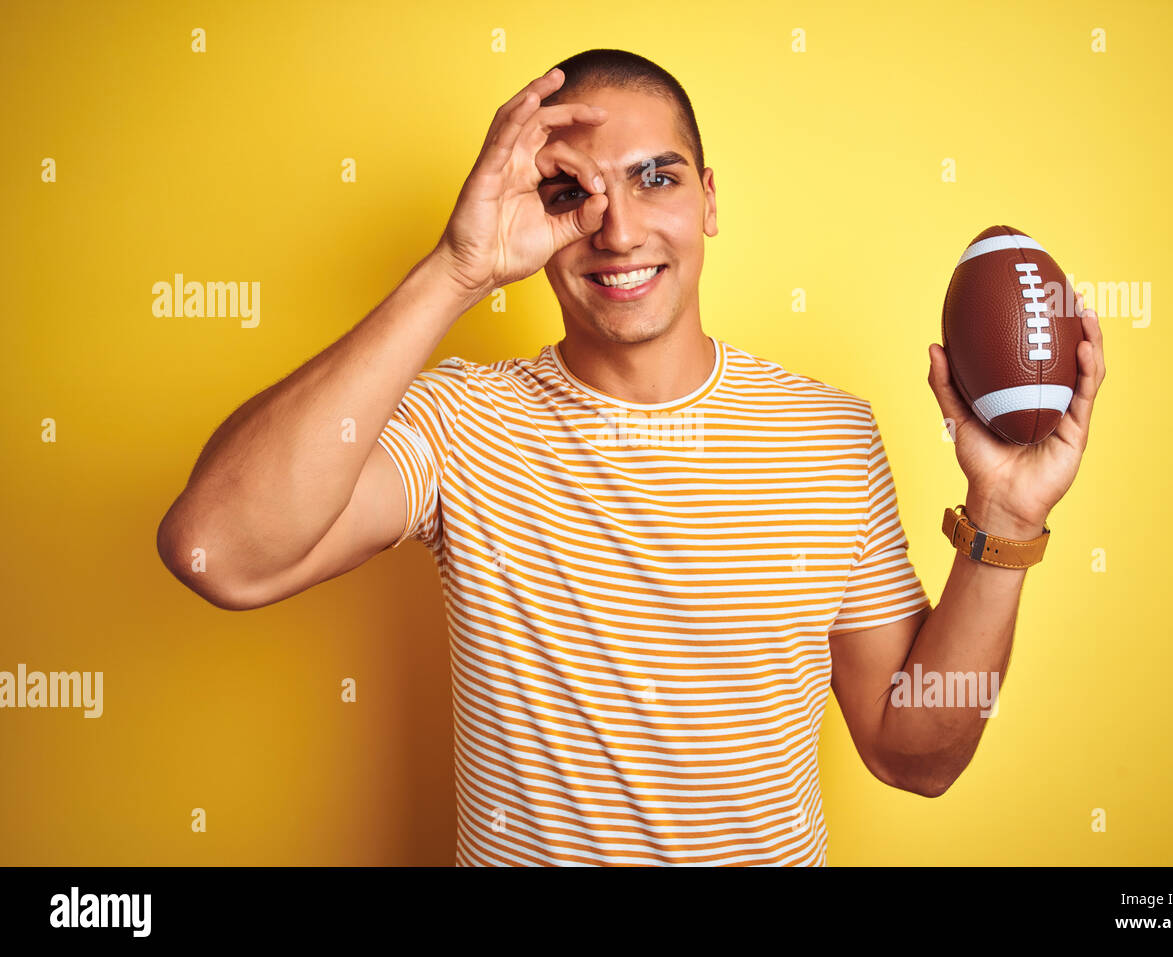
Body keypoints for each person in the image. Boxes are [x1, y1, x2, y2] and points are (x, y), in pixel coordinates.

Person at [157, 49, 1105, 866]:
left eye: (657, 177)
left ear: (710, 199)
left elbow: (915, 754)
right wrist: (455, 271)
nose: (616, 230)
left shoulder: (830, 434)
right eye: (570, 193)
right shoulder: (460, 425)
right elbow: (219, 552)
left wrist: (1006, 521)